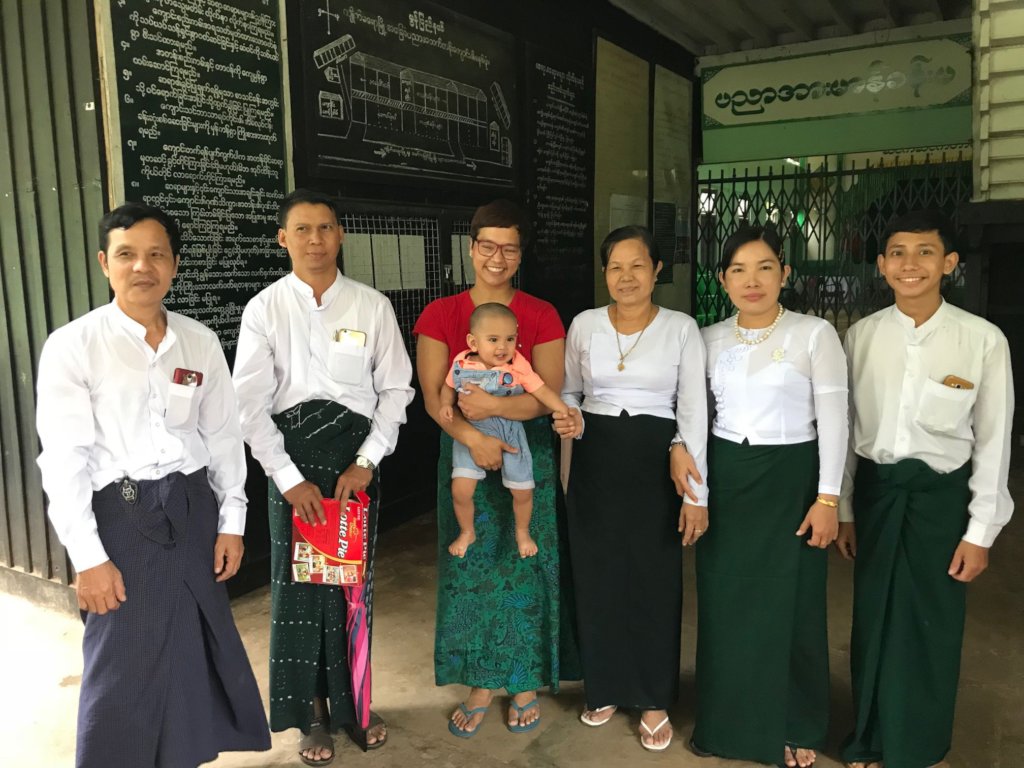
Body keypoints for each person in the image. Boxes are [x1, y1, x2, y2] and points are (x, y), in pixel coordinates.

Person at [35, 203, 271, 768]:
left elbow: (222, 436)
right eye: (127, 254)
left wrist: (231, 522)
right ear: (104, 263)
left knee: (193, 643)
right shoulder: (74, 345)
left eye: (156, 254)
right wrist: (88, 557)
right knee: (122, 656)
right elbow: (62, 459)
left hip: (191, 508)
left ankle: (184, 758)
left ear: (174, 264)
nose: (143, 266)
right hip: (120, 514)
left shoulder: (198, 342)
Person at [233, 189, 414, 766]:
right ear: (283, 239)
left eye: (326, 228)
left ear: (341, 236)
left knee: (350, 588)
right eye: (303, 230)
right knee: (299, 590)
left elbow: (396, 390)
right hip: (294, 472)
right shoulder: (264, 310)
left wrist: (368, 459)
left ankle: (354, 704)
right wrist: (286, 477)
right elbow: (248, 405)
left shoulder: (371, 306)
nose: (316, 240)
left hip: (351, 471)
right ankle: (312, 713)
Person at [837, 211, 1014, 768]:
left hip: (940, 501)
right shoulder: (859, 336)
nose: (910, 264)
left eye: (925, 252)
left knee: (929, 623)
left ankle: (917, 743)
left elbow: (993, 440)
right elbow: (843, 432)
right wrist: (842, 507)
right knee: (872, 620)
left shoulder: (982, 340)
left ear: (950, 264)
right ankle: (868, 736)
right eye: (897, 252)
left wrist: (980, 530)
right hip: (877, 495)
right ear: (881, 264)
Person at [414, 198, 579, 738]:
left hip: (524, 449)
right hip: (464, 453)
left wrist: (492, 414)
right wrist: (471, 436)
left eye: (509, 248)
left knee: (523, 562)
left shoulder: (541, 314)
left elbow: (545, 391)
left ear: (520, 253)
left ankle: (525, 677)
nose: (497, 257)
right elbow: (434, 397)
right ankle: (481, 680)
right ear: (471, 247)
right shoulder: (442, 314)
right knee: (474, 562)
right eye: (488, 246)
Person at [689, 224, 848, 768]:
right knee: (725, 602)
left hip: (792, 478)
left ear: (785, 272)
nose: (751, 280)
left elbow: (834, 418)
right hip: (728, 478)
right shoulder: (706, 338)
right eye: (738, 269)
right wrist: (691, 479)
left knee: (794, 604)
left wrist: (829, 499)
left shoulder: (814, 333)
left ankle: (796, 722)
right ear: (722, 279)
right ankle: (726, 722)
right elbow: (690, 416)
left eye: (764, 267)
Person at [554, 225, 708, 753]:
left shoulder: (682, 328)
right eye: (616, 267)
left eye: (637, 265)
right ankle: (605, 685)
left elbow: (692, 407)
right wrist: (569, 416)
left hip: (656, 457)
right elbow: (570, 390)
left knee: (652, 577)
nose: (626, 277)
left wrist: (692, 482)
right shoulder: (585, 324)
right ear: (605, 273)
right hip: (596, 455)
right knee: (597, 574)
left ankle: (653, 696)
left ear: (657, 270)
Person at [440, 302, 571, 558]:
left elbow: (541, 390)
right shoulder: (462, 362)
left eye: (510, 339)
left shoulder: (518, 366)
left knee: (522, 490)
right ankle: (467, 531)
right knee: (460, 489)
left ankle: (522, 531)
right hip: (471, 431)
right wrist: (446, 404)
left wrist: (562, 410)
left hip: (510, 431)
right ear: (473, 342)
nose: (503, 347)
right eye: (493, 339)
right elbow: (448, 384)